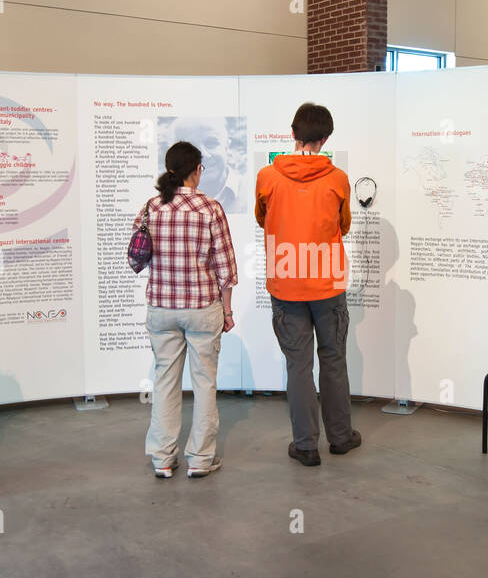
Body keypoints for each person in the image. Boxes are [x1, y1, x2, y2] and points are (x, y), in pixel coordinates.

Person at [255, 103, 361, 466]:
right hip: (327, 284)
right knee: (333, 360)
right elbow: (343, 225)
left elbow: (261, 218)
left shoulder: (268, 176)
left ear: (292, 132)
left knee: (298, 365)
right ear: (326, 138)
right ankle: (341, 437)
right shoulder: (338, 179)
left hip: (285, 283)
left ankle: (305, 445)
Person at [137, 141, 238, 478]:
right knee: (204, 382)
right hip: (201, 306)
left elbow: (136, 257)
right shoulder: (210, 208)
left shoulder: (152, 207)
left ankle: (163, 459)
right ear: (197, 171)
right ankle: (200, 459)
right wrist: (227, 311)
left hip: (162, 307)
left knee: (164, 379)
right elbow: (226, 269)